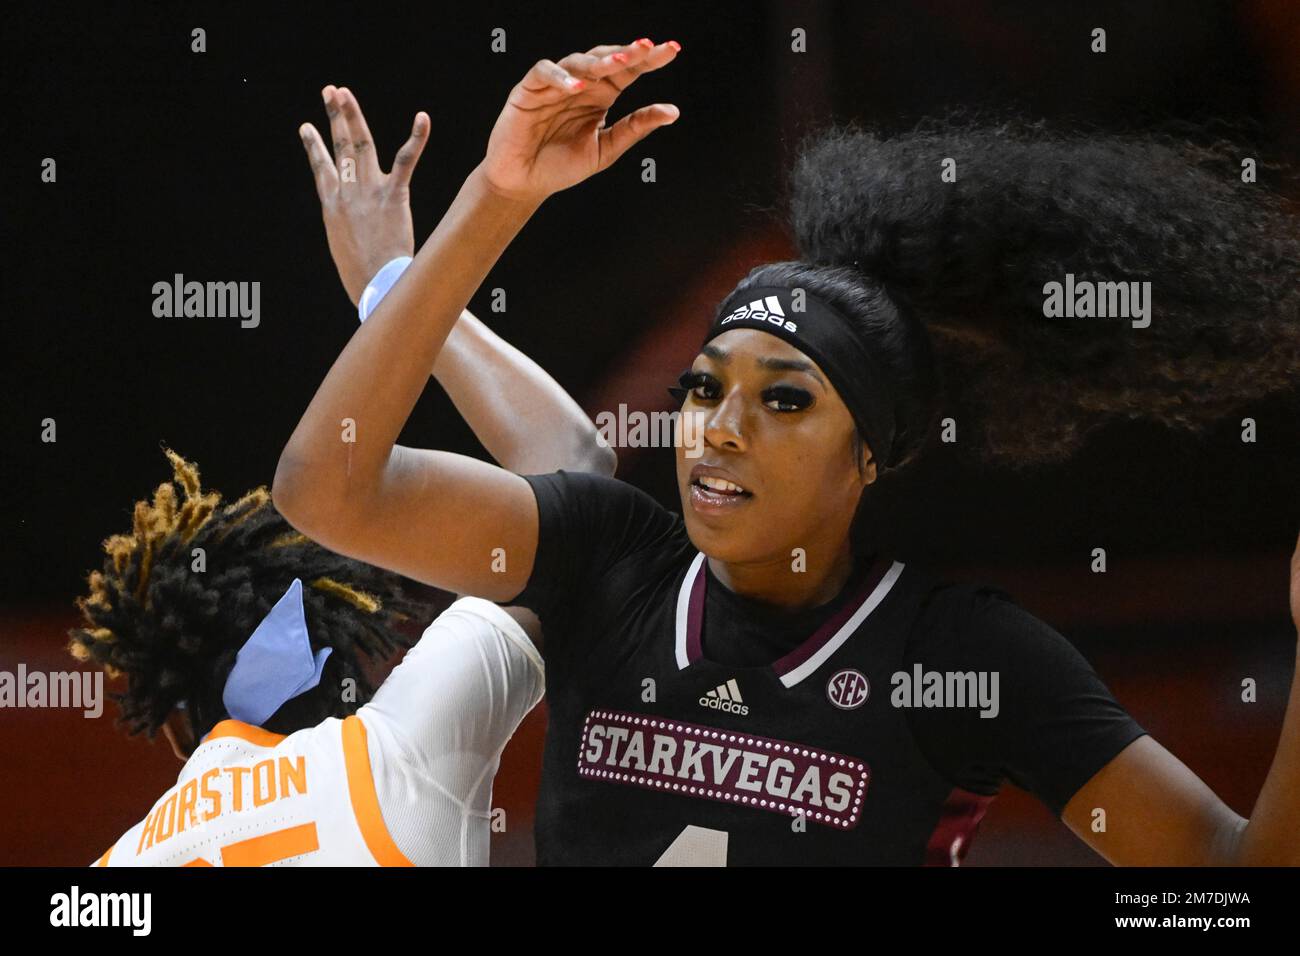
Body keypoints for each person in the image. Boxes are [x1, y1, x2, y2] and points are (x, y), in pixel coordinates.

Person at [272, 36, 1300, 865]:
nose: (722, 424)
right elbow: (329, 490)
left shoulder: (961, 658)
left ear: (870, 455)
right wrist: (495, 199)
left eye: (785, 400)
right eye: (705, 386)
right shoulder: (611, 561)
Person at [71, 87, 614, 866]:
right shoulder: (396, 757)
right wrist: (390, 280)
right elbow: (578, 490)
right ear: (350, 658)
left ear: (171, 726)